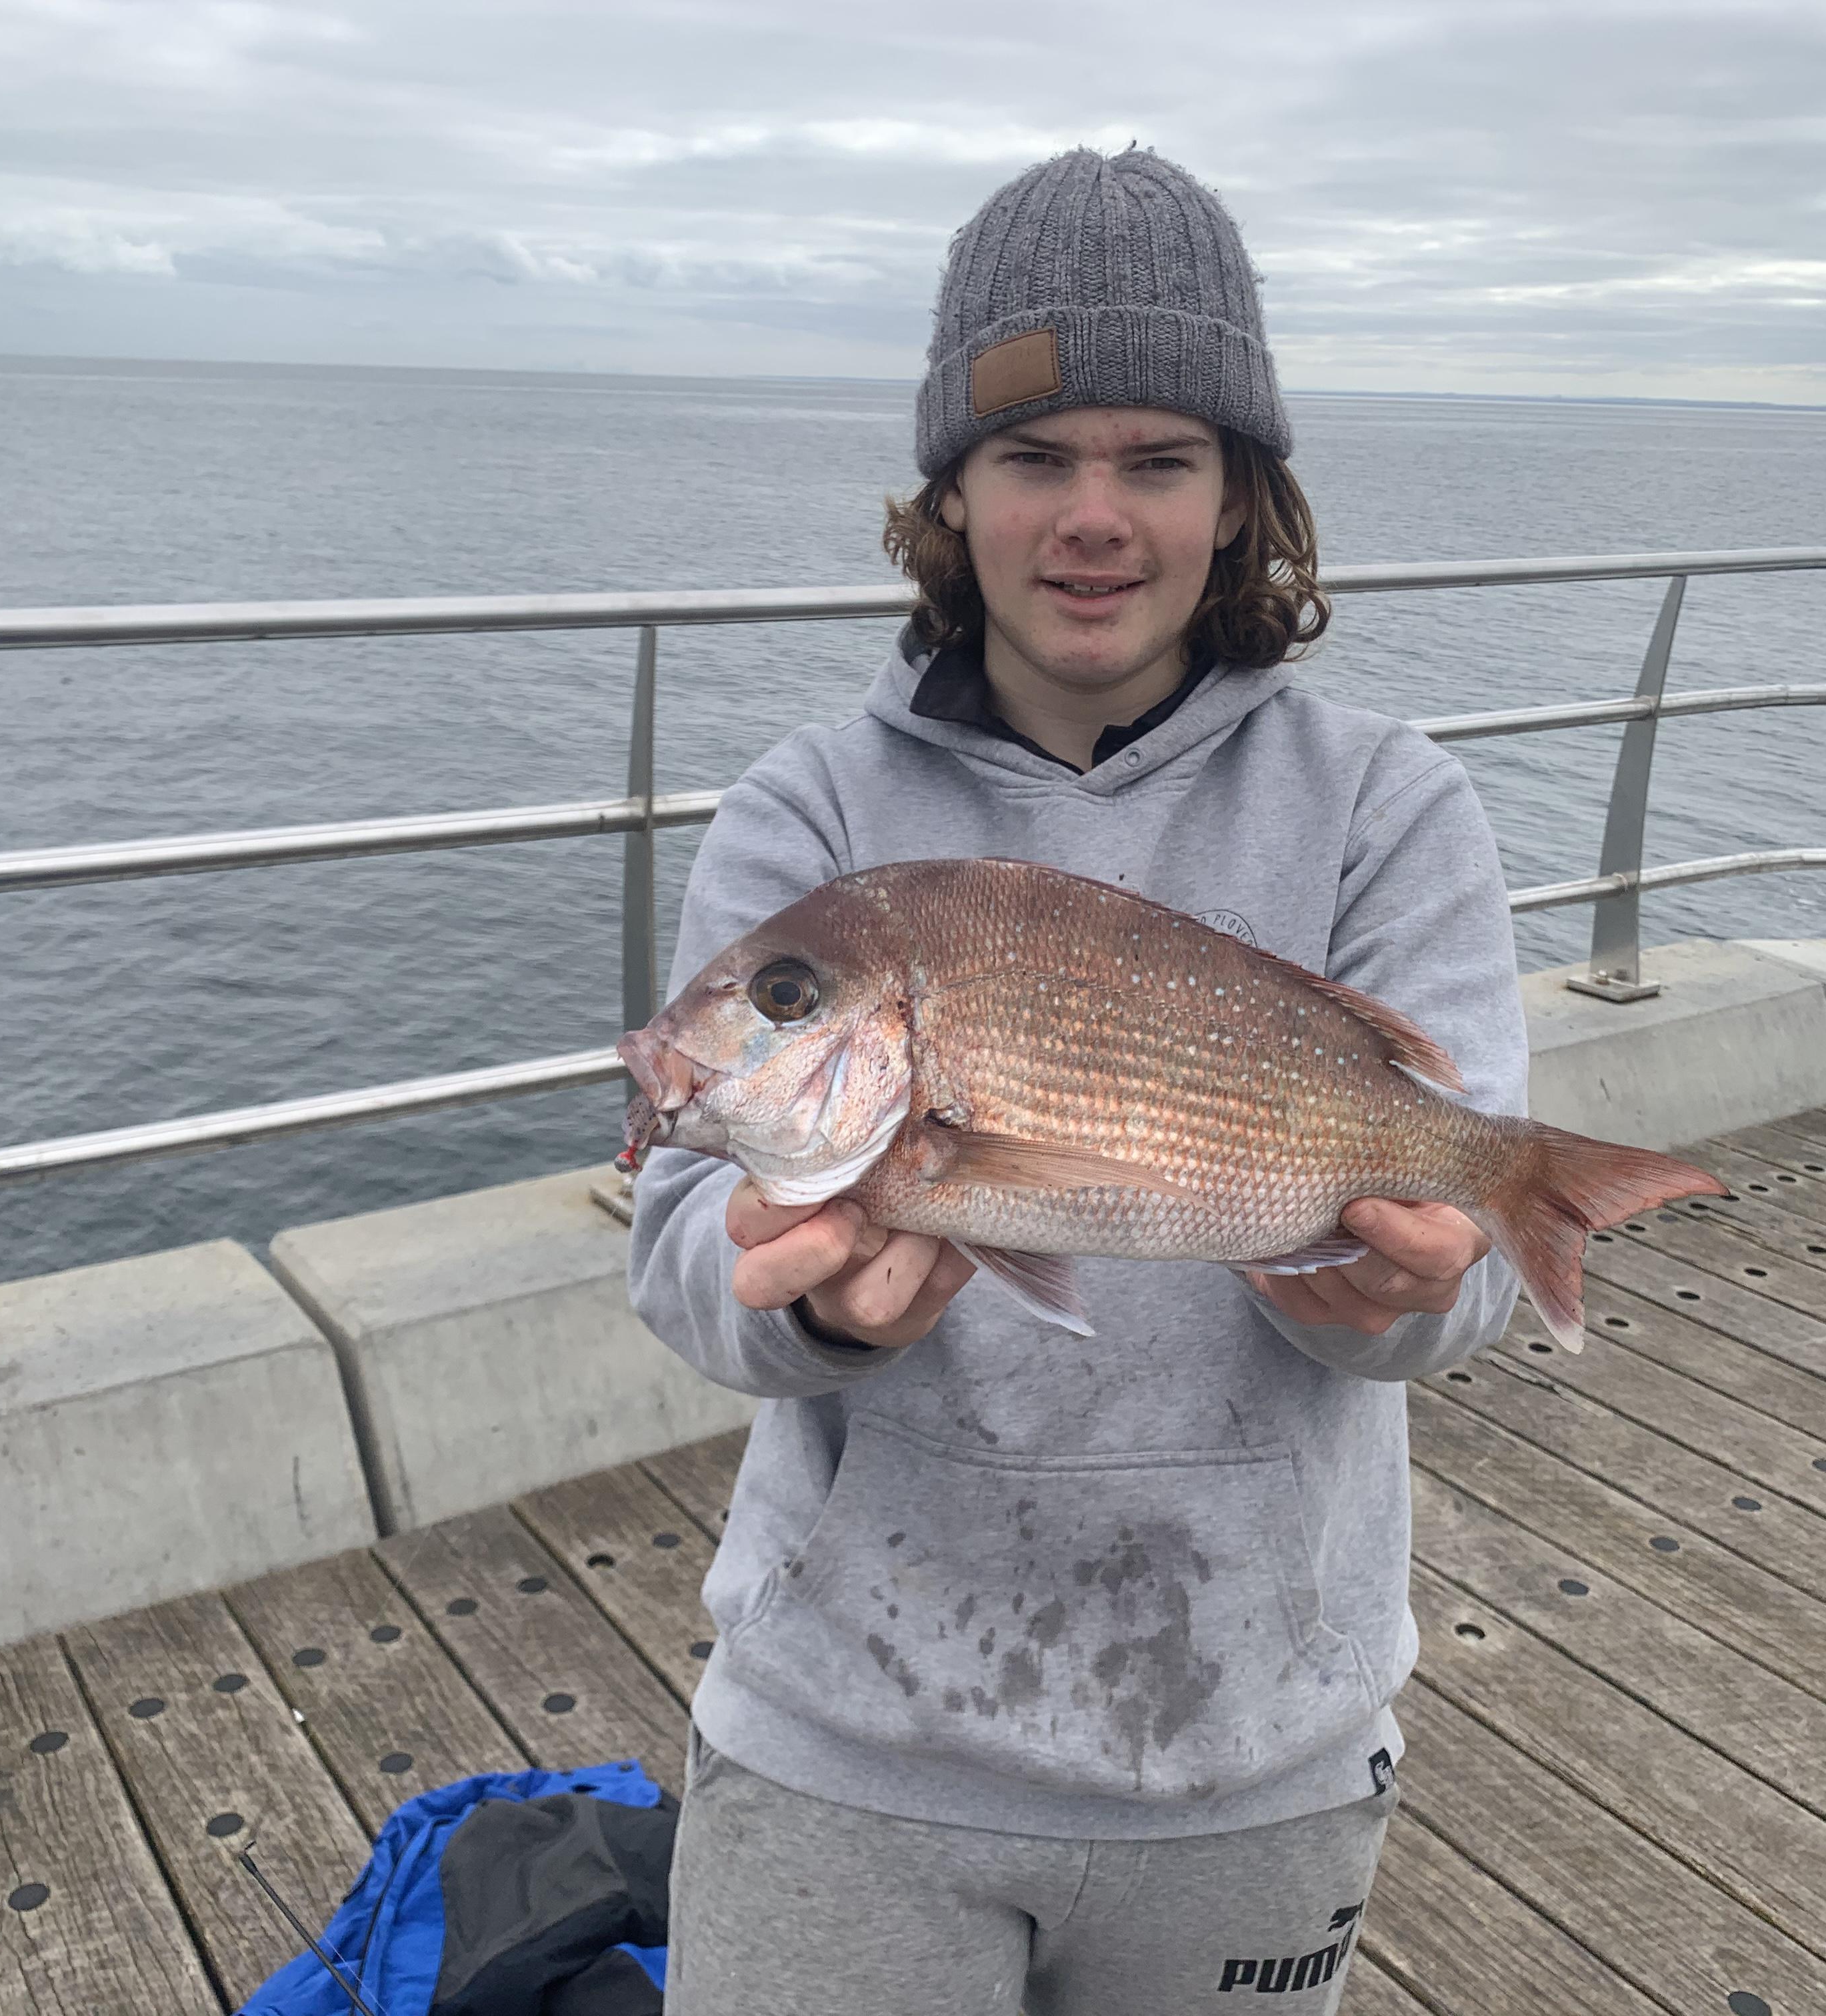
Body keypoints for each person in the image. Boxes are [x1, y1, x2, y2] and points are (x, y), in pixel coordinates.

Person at [629, 145, 1526, 2015]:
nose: (1092, 518)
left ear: (1243, 502)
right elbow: (681, 1247)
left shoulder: (1387, 806)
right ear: (950, 494)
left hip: (1252, 1743)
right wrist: (811, 1319)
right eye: (1035, 458)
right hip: (845, 1743)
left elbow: (1463, 1284)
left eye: (1161, 460)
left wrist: (1409, 1296)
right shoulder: (811, 819)